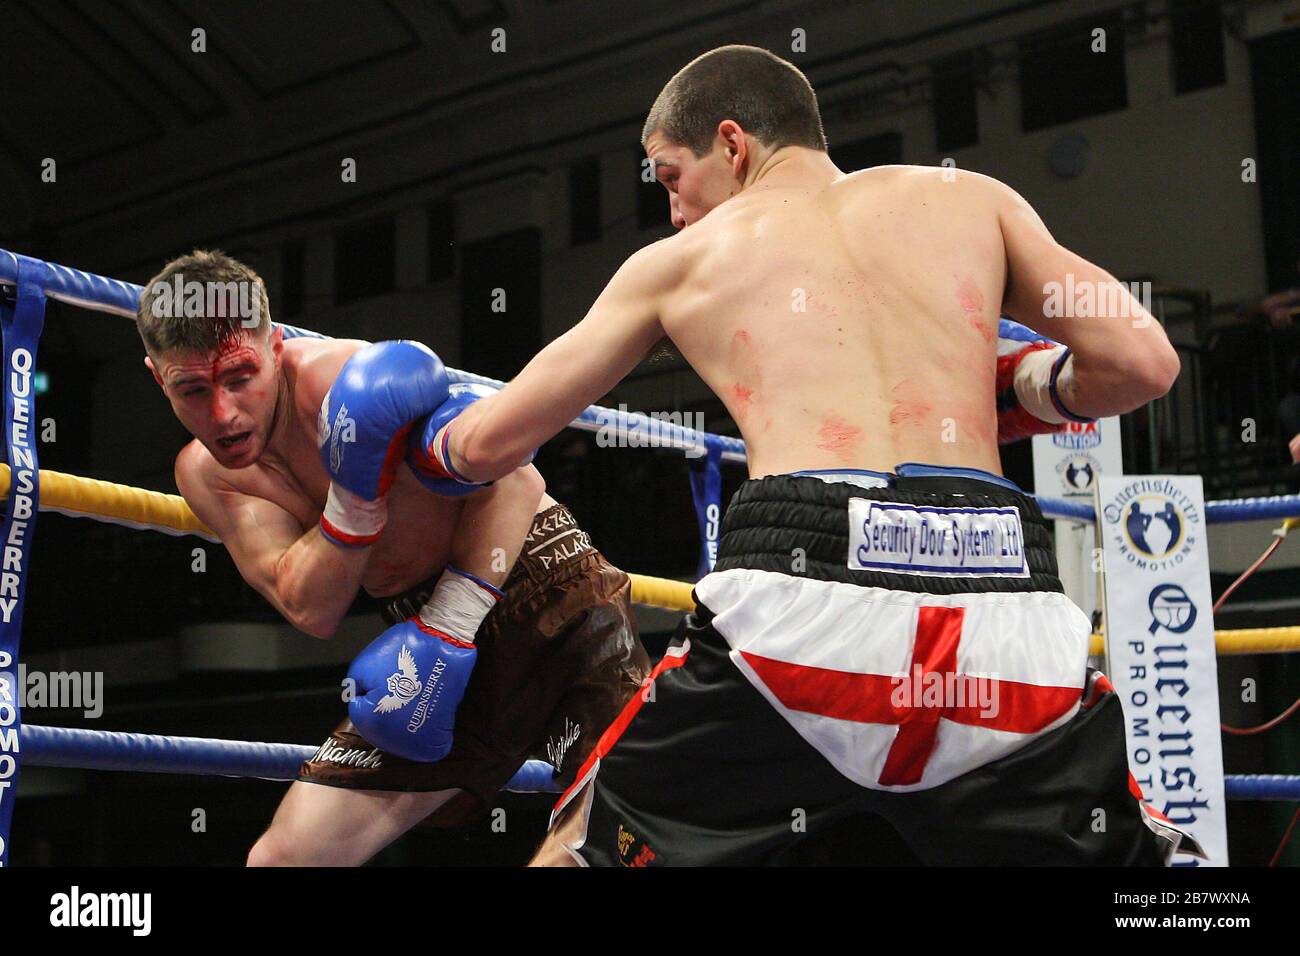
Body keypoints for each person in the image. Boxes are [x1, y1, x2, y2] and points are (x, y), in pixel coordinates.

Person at [411, 45, 1203, 865]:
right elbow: (1145, 364)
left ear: (731, 144)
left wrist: (414, 434)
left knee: (580, 847)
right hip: (1006, 610)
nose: (674, 211)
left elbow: (487, 442)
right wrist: (1026, 388)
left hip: (798, 616)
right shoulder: (971, 199)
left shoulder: (677, 264)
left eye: (670, 177)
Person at [135, 249, 649, 866]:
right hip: (419, 649)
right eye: (192, 389)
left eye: (239, 378)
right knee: (283, 860)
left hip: (543, 585)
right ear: (156, 378)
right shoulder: (206, 473)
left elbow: (514, 476)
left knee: (615, 839)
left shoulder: (346, 378)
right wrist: (353, 502)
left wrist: (452, 623)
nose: (223, 414)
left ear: (274, 347)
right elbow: (310, 607)